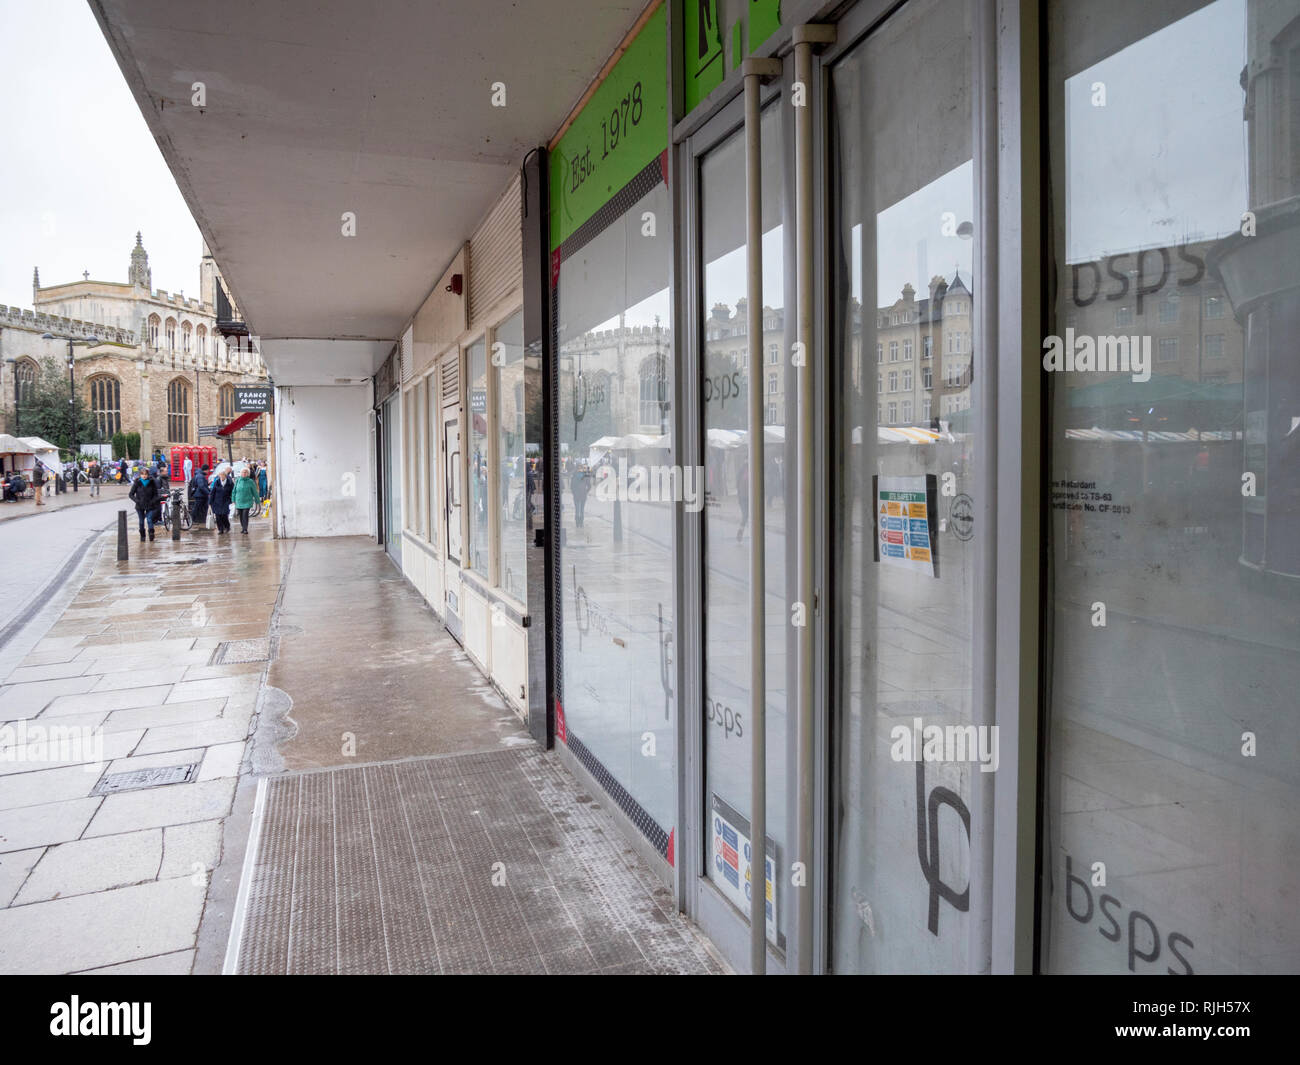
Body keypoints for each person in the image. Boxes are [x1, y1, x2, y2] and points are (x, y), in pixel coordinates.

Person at [129, 467, 160, 542]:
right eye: (142, 474)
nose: (144, 476)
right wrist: (137, 501)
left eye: (145, 474)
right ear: (140, 475)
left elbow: (156, 495)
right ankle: (142, 536)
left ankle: (151, 534)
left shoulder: (152, 482)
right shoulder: (137, 483)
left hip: (150, 505)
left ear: (148, 475)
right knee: (141, 521)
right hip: (140, 506)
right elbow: (131, 494)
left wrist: (152, 501)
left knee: (149, 520)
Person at [209, 466, 234, 534]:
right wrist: (210, 502)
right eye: (220, 476)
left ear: (225, 476)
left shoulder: (229, 483)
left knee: (224, 516)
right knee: (218, 516)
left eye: (222, 476)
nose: (221, 477)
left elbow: (233, 492)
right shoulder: (217, 482)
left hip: (226, 501)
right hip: (217, 501)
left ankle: (227, 527)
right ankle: (220, 529)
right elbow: (212, 492)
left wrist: (232, 500)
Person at [232, 467, 258, 534]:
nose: (244, 473)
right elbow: (234, 491)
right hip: (239, 500)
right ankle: (243, 527)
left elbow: (255, 492)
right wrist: (233, 499)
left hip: (247, 501)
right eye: (243, 472)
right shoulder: (238, 481)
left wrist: (257, 501)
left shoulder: (250, 481)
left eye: (246, 472)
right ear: (241, 473)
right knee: (241, 515)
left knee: (245, 514)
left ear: (248, 474)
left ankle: (245, 528)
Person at [571, 464, 591, 528]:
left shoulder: (574, 476)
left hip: (578, 495)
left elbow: (572, 486)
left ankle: (578, 523)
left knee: (578, 509)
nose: (580, 469)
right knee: (580, 509)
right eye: (580, 468)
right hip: (582, 495)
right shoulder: (585, 476)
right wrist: (586, 491)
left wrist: (574, 492)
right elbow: (589, 486)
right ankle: (580, 523)